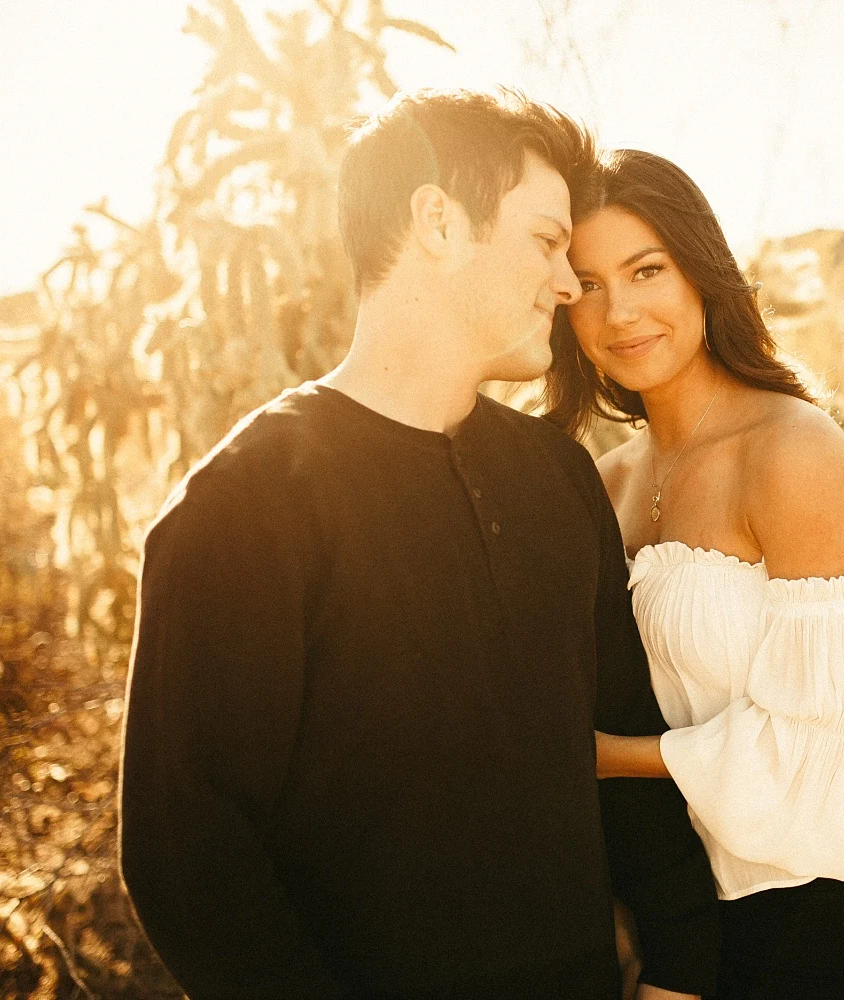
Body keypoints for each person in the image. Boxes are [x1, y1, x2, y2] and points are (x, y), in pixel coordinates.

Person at [119, 92, 719, 1000]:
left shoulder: (558, 478)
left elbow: (622, 745)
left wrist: (682, 966)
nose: (567, 284)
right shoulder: (241, 508)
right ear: (437, 220)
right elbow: (188, 856)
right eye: (546, 241)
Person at [543, 149, 844, 1000]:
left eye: (647, 269)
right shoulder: (606, 483)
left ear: (701, 271)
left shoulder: (793, 450)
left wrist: (600, 759)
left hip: (808, 905)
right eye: (589, 284)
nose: (622, 312)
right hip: (677, 906)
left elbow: (821, 734)